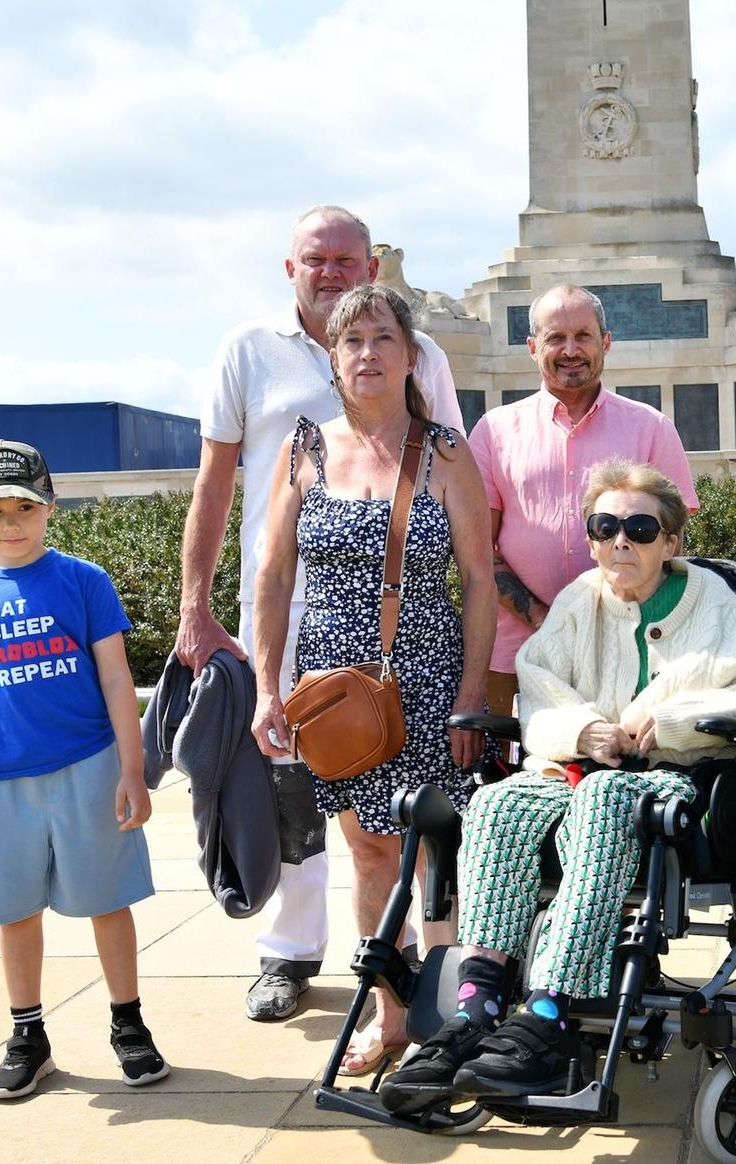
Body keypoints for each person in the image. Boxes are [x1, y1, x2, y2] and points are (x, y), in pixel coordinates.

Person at [379, 463, 736, 1109]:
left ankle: (549, 1012)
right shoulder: (582, 599)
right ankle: (475, 1010)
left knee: (606, 799)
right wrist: (584, 731)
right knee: (497, 802)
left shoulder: (716, 604)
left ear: (671, 541)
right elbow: (540, 679)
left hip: (678, 786)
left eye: (640, 528)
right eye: (605, 527)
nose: (621, 543)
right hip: (581, 771)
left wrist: (667, 721)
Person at [179, 205, 464, 1024]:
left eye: (347, 258)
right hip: (286, 605)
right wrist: (195, 606)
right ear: (290, 267)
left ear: (371, 264)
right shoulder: (247, 351)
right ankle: (289, 952)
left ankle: (407, 961)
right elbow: (214, 483)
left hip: (394, 613)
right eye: (317, 258)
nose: (332, 270)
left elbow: (451, 465)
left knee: (400, 805)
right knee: (292, 791)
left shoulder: (422, 352)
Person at [249, 283, 494, 1076]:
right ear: (333, 357)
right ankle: (390, 1016)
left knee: (435, 857)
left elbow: (480, 583)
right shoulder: (305, 449)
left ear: (409, 353)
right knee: (369, 854)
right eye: (351, 342)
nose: (367, 354)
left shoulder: (447, 454)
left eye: (382, 338)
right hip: (335, 697)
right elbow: (274, 578)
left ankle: (448, 1021)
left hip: (426, 682)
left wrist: (470, 699)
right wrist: (265, 687)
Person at [0, 440, 167, 1100]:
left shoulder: (83, 581)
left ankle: (129, 1025)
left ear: (50, 507)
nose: (11, 522)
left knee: (106, 901)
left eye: (24, 507)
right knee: (15, 911)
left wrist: (130, 769)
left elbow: (117, 677)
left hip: (87, 767)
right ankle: (28, 1036)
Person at [469, 284, 698, 717]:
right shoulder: (493, 432)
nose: (570, 350)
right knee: (515, 780)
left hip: (628, 647)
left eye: (583, 336)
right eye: (556, 338)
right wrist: (545, 618)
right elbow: (478, 549)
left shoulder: (651, 428)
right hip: (515, 652)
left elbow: (670, 544)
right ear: (533, 347)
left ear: (606, 343)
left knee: (619, 776)